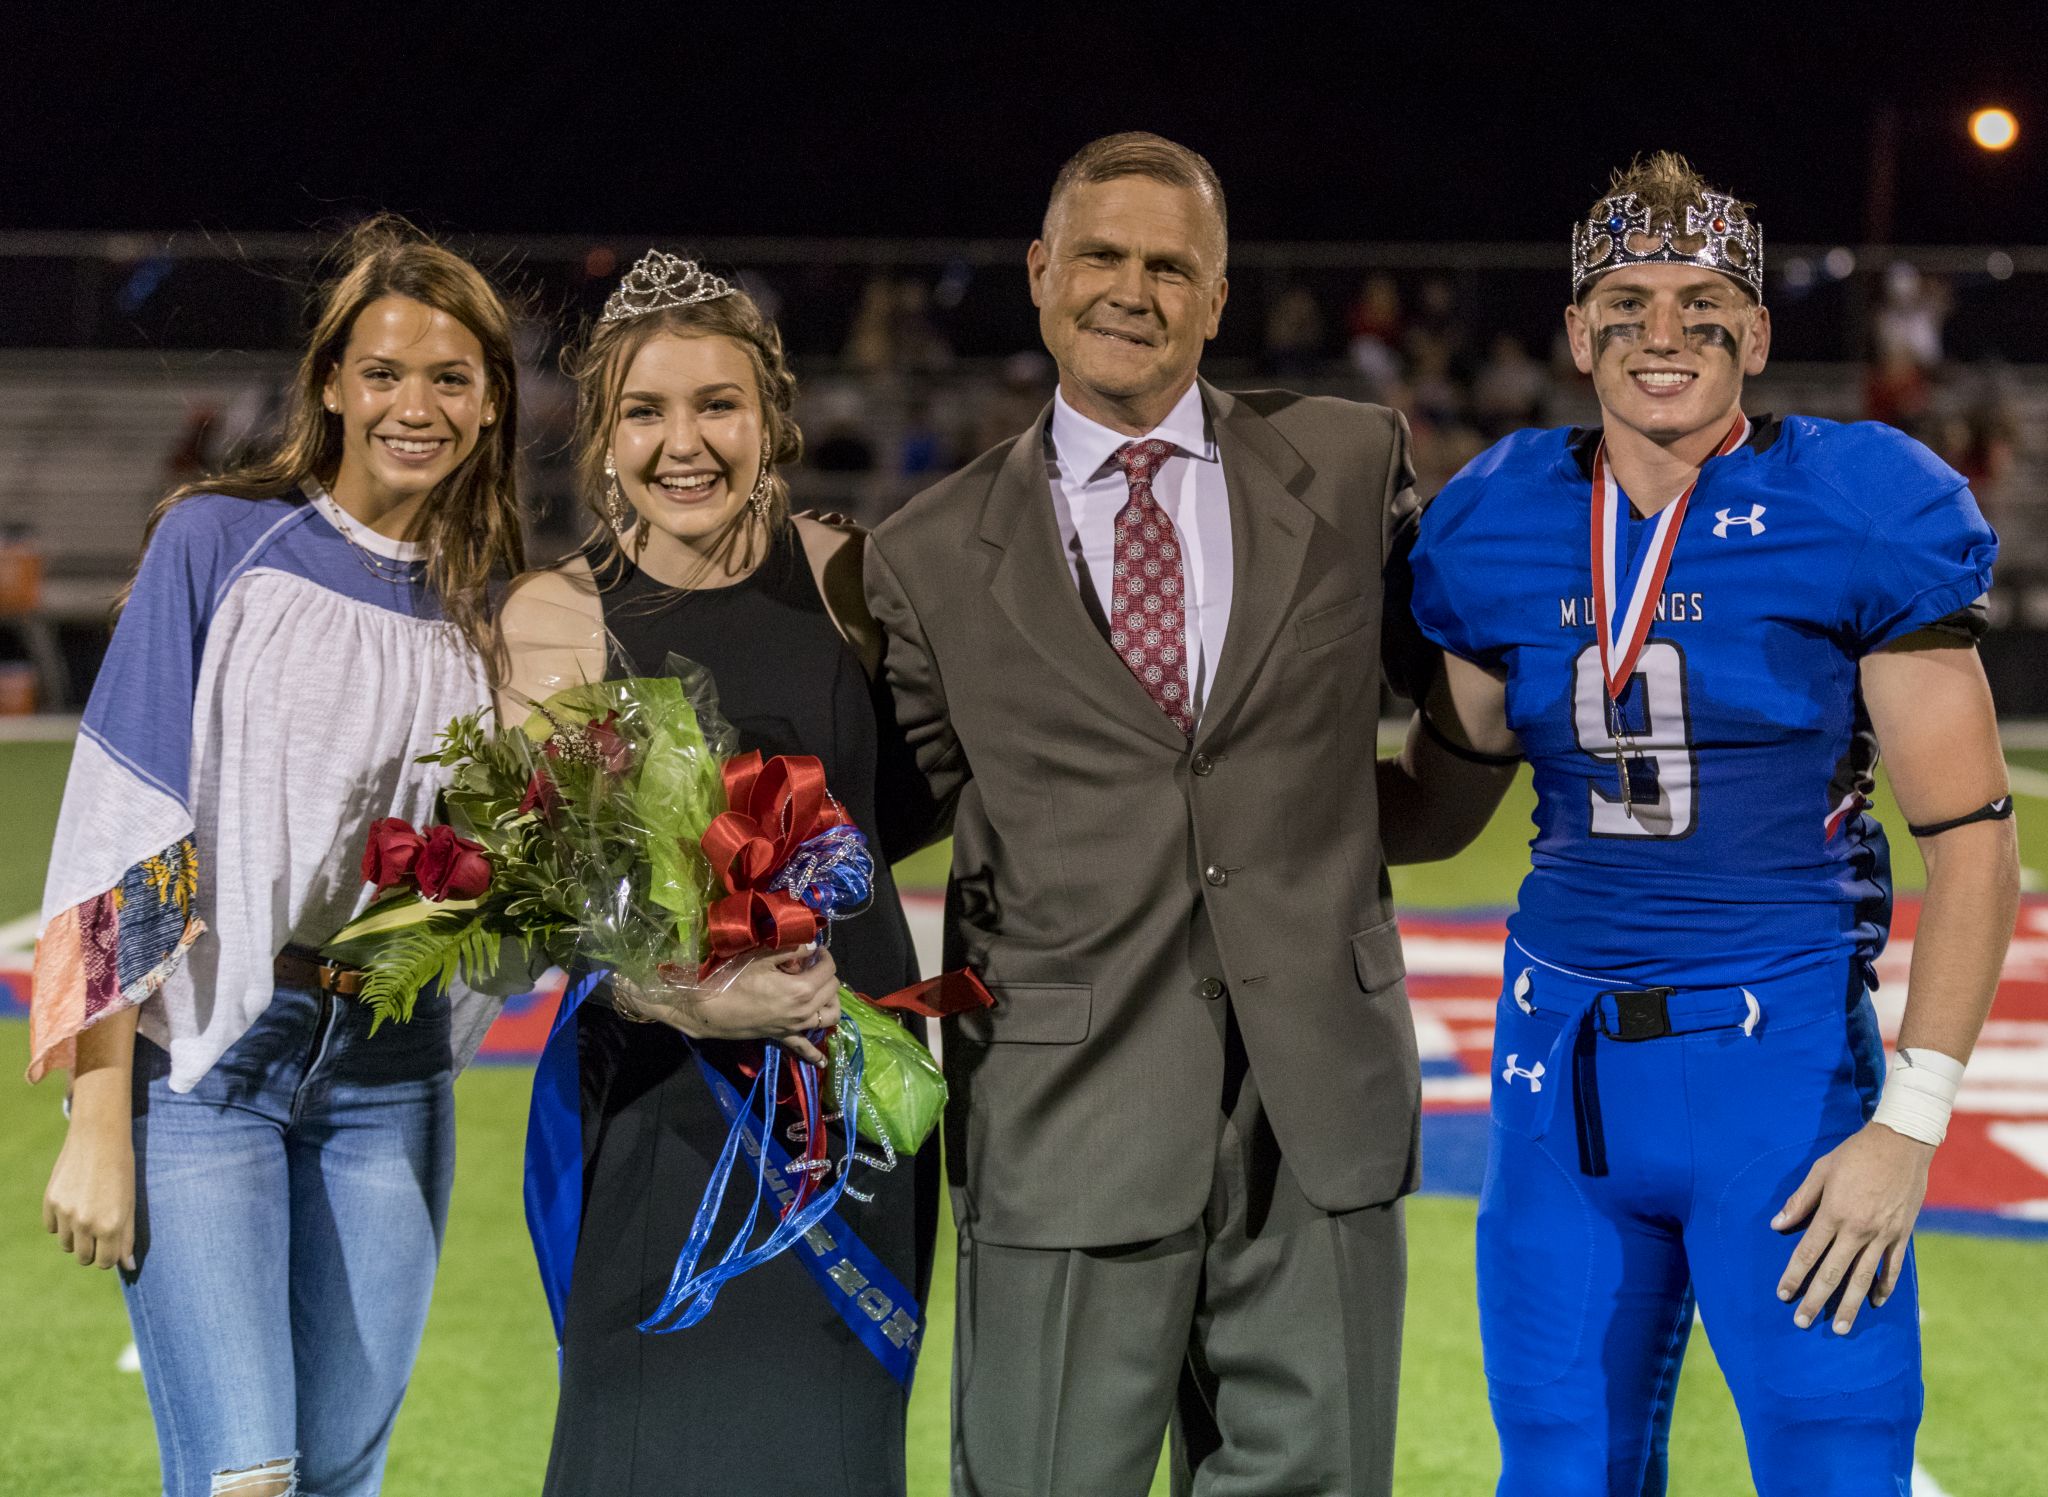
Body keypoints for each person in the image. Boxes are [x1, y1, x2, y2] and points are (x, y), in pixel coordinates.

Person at [1382, 152, 2020, 1495]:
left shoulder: (1852, 506)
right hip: (1558, 1064)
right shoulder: (1499, 517)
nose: (1661, 332)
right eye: (1624, 300)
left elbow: (1972, 838)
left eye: (1699, 300)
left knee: (1834, 1461)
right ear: (1575, 330)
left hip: (1780, 1066)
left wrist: (1911, 1124)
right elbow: (1447, 787)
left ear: (1760, 330)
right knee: (1558, 1467)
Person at [866, 131, 1421, 1496]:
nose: (1136, 289)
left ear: (1219, 298)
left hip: (1315, 1112)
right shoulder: (926, 555)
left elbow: (1465, 689)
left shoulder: (1347, 465)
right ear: (1044, 275)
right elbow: (874, 820)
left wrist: (1406, 811)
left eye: (1174, 266)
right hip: (1068, 1112)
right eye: (1103, 256)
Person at [33, 216, 526, 1497]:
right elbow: (121, 822)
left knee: (340, 1478)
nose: (413, 405)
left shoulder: (507, 604)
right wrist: (98, 1115)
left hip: (390, 1075)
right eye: (384, 372)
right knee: (242, 1479)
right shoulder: (216, 542)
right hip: (206, 1068)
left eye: (451, 378)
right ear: (329, 384)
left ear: (489, 408)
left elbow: (501, 875)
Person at [494, 251, 931, 1497]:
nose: (683, 443)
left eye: (716, 406)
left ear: (770, 417)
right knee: (644, 1456)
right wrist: (691, 998)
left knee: (837, 1459)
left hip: (849, 1099)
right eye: (645, 411)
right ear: (602, 433)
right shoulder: (555, 619)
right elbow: (551, 904)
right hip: (659, 1106)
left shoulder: (847, 574)